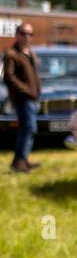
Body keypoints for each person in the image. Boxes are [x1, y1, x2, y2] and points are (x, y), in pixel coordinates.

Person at [3, 23, 41, 173]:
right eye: (24, 33)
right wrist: (26, 90)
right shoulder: (12, 54)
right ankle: (20, 162)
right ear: (17, 35)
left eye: (30, 34)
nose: (27, 37)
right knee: (28, 128)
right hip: (22, 98)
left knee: (28, 128)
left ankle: (21, 160)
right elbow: (9, 77)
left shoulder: (30, 53)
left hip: (32, 97)